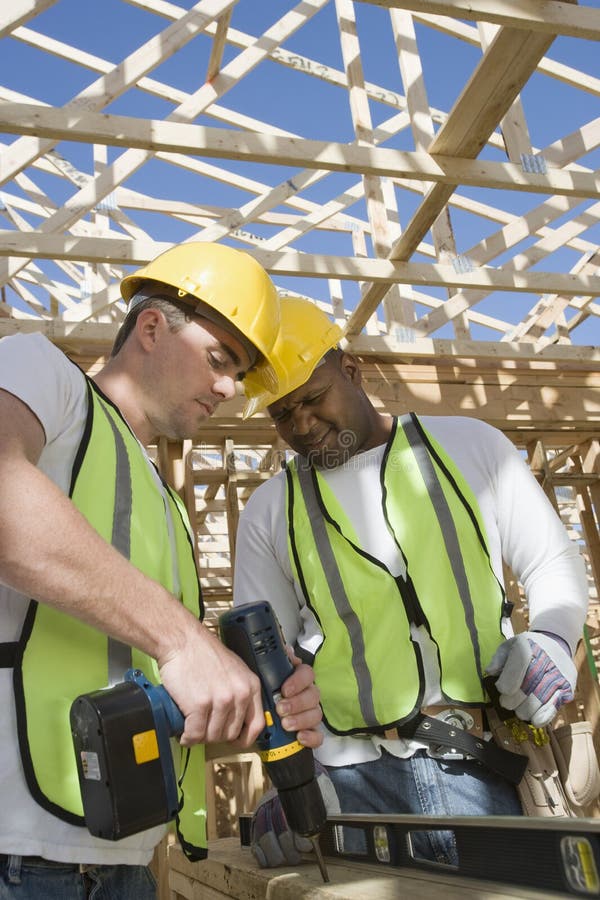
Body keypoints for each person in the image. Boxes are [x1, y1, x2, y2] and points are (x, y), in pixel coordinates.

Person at [0, 243, 323, 900]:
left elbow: (140, 664)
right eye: (219, 360)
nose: (230, 389)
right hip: (18, 851)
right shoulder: (46, 375)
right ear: (151, 328)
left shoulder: (163, 502)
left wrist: (259, 698)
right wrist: (183, 641)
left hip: (126, 858)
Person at [233, 296, 589, 869]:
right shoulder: (270, 510)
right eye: (280, 414)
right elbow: (265, 669)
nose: (301, 425)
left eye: (312, 398)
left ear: (351, 370)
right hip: (346, 789)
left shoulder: (473, 448)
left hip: (486, 766)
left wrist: (552, 636)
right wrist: (289, 782)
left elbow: (552, 563)